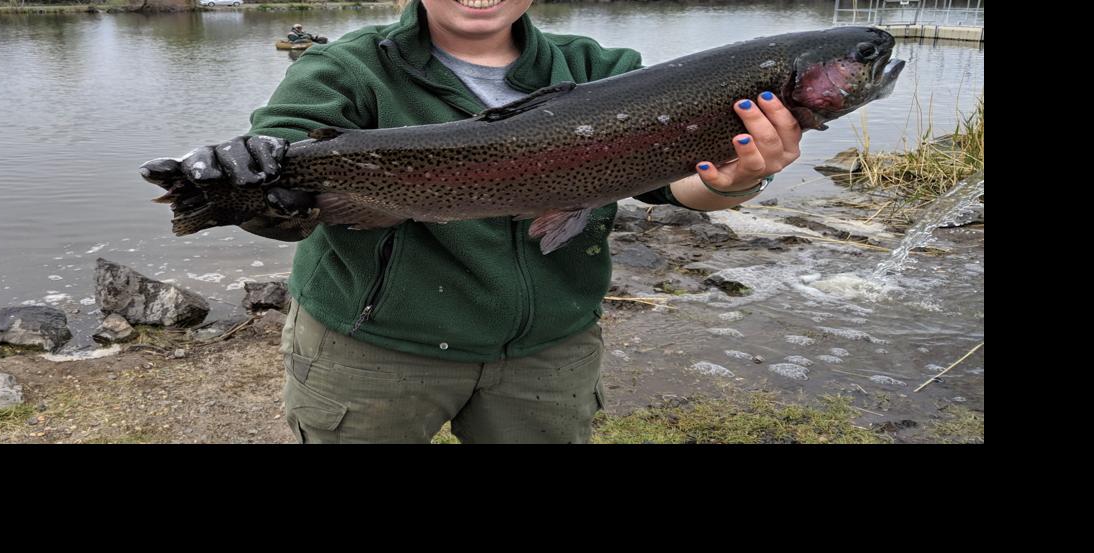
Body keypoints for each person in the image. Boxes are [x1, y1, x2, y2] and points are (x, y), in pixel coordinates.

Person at [148, 0, 802, 443]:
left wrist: (739, 177)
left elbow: (678, 187)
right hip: (374, 350)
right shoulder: (346, 68)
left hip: (548, 353)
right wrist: (254, 180)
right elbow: (288, 182)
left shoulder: (603, 73)